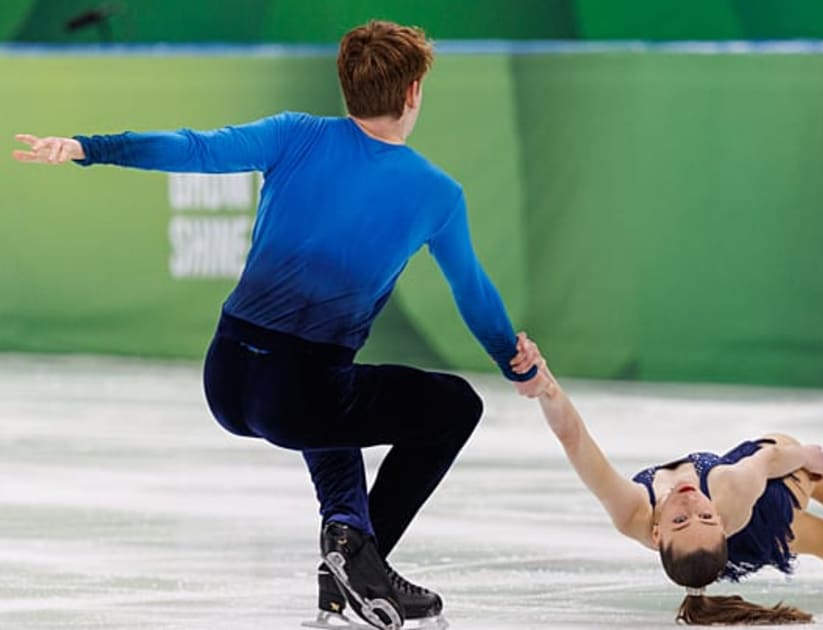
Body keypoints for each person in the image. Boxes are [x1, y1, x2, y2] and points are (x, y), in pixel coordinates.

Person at [12, 20, 547, 630]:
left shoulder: (294, 134)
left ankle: (345, 543)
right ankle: (358, 556)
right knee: (453, 406)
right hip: (297, 395)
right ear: (413, 92)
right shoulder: (436, 193)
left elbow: (194, 148)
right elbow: (472, 292)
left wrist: (88, 147)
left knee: (337, 397)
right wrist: (514, 362)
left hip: (226, 375)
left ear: (346, 86)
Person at [521, 360, 823, 625]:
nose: (691, 501)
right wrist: (806, 456)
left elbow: (573, 440)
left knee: (809, 531)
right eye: (698, 516)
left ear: (657, 534)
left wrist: (546, 386)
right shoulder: (727, 492)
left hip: (729, 532)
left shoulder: (633, 511)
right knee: (807, 474)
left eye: (683, 519)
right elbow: (771, 461)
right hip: (757, 501)